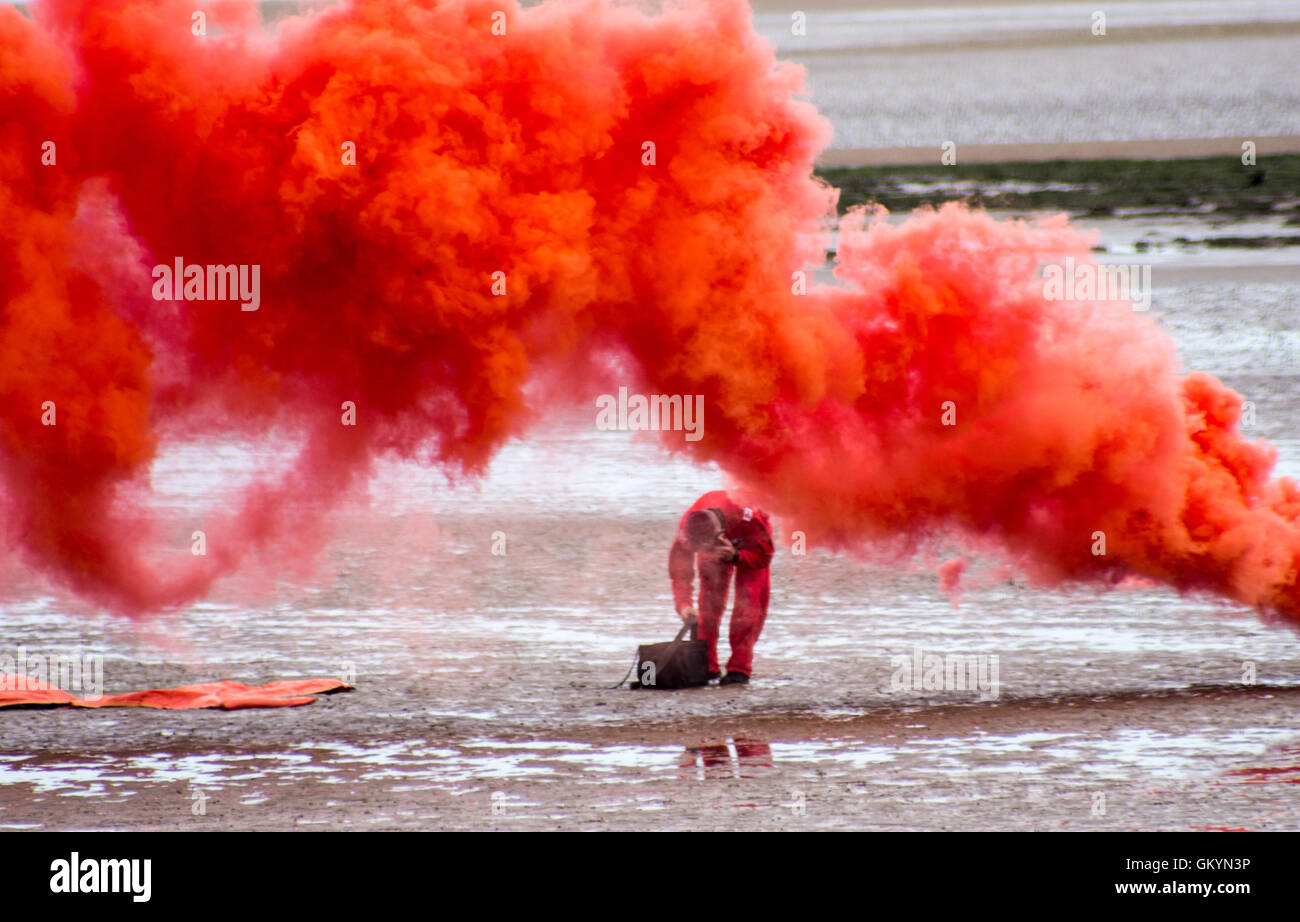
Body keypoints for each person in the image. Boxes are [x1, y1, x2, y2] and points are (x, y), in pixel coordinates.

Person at [668, 490, 774, 685]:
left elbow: (764, 557)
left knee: (749, 603)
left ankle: (739, 668)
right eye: (701, 550)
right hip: (719, 537)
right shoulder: (687, 527)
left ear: (720, 535)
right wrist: (683, 604)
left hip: (749, 542)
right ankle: (707, 665)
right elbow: (679, 568)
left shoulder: (750, 517)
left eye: (708, 548)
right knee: (708, 603)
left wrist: (736, 556)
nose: (706, 553)